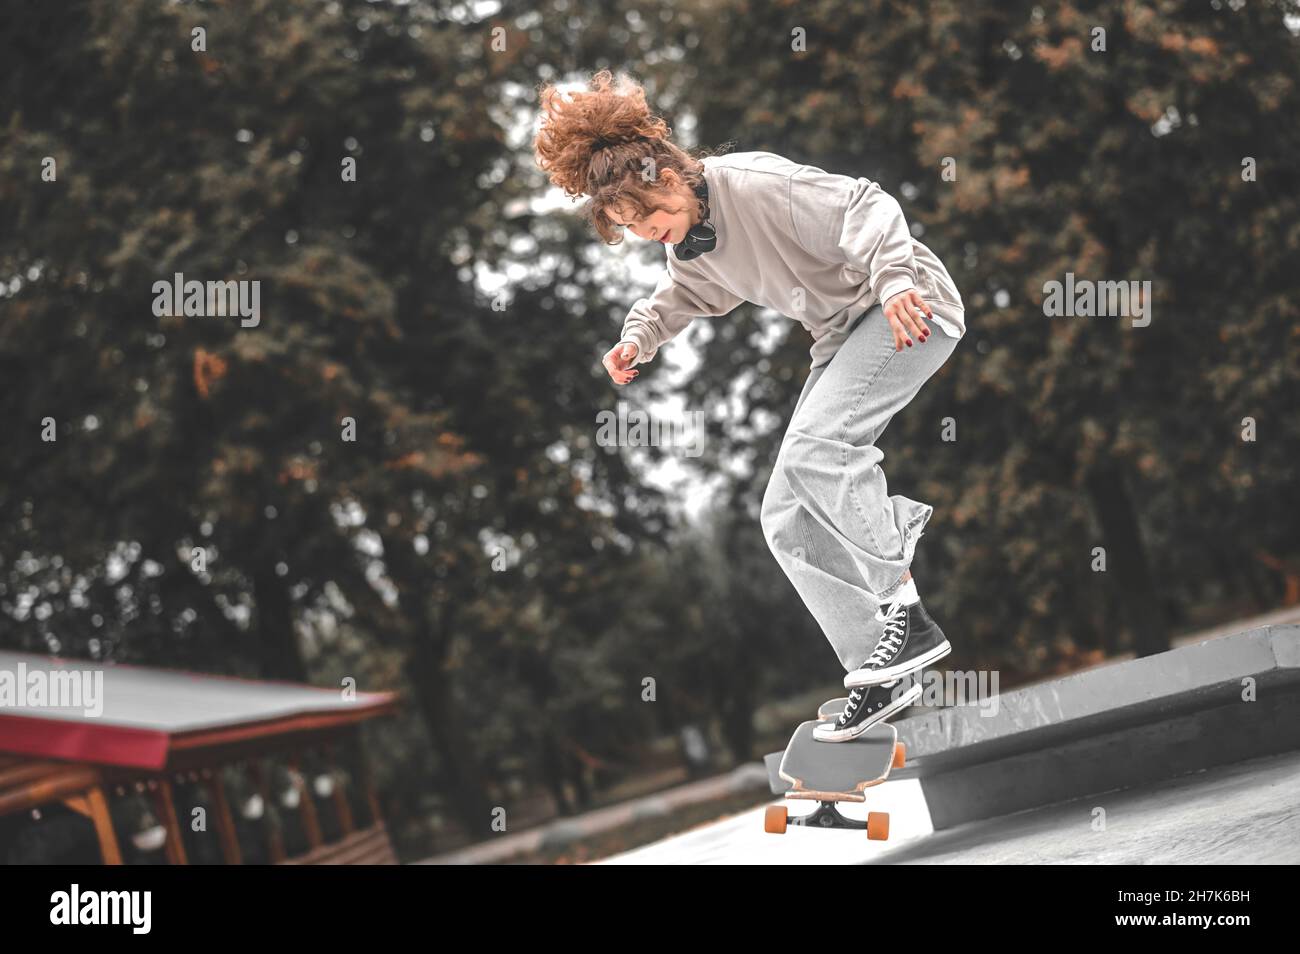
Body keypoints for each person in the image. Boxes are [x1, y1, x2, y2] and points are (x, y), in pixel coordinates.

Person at [534, 70, 965, 742]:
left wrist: (895, 279)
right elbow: (680, 295)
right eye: (634, 229)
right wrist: (638, 337)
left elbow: (866, 205)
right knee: (785, 513)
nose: (653, 234)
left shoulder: (754, 183)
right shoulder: (689, 244)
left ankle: (905, 612)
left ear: (672, 177)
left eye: (652, 216)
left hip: (905, 306)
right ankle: (882, 673)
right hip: (840, 336)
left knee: (820, 450)